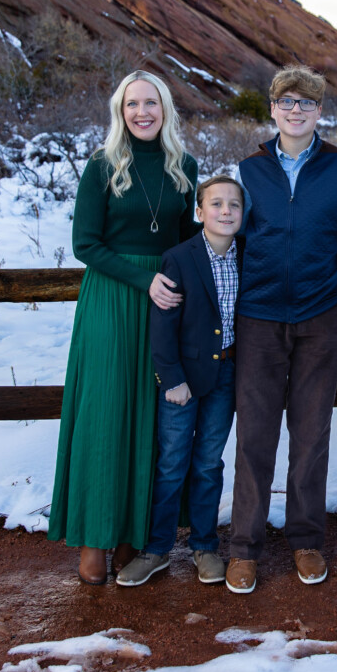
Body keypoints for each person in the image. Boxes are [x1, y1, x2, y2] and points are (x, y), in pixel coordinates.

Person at [48, 70, 198, 585]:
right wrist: (142, 279)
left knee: (151, 418)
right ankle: (94, 538)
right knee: (106, 413)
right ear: (120, 111)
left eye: (150, 103)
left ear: (165, 109)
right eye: (132, 104)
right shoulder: (102, 165)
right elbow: (85, 244)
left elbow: (182, 234)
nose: (141, 112)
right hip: (113, 300)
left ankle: (135, 536)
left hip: (165, 302)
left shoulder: (183, 165)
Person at [226, 65, 337, 594]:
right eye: (287, 101)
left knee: (311, 433)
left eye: (307, 102)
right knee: (254, 435)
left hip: (320, 316)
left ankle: (306, 540)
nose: (296, 110)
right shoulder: (248, 170)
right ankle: (245, 547)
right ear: (273, 109)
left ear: (320, 111)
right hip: (259, 317)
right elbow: (233, 240)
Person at [116, 175, 245, 587]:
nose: (226, 211)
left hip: (226, 374)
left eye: (234, 205)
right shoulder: (179, 257)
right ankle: (156, 549)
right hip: (183, 379)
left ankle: (205, 546)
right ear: (200, 212)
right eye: (216, 204)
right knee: (172, 462)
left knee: (208, 462)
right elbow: (163, 323)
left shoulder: (249, 255)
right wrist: (171, 377)